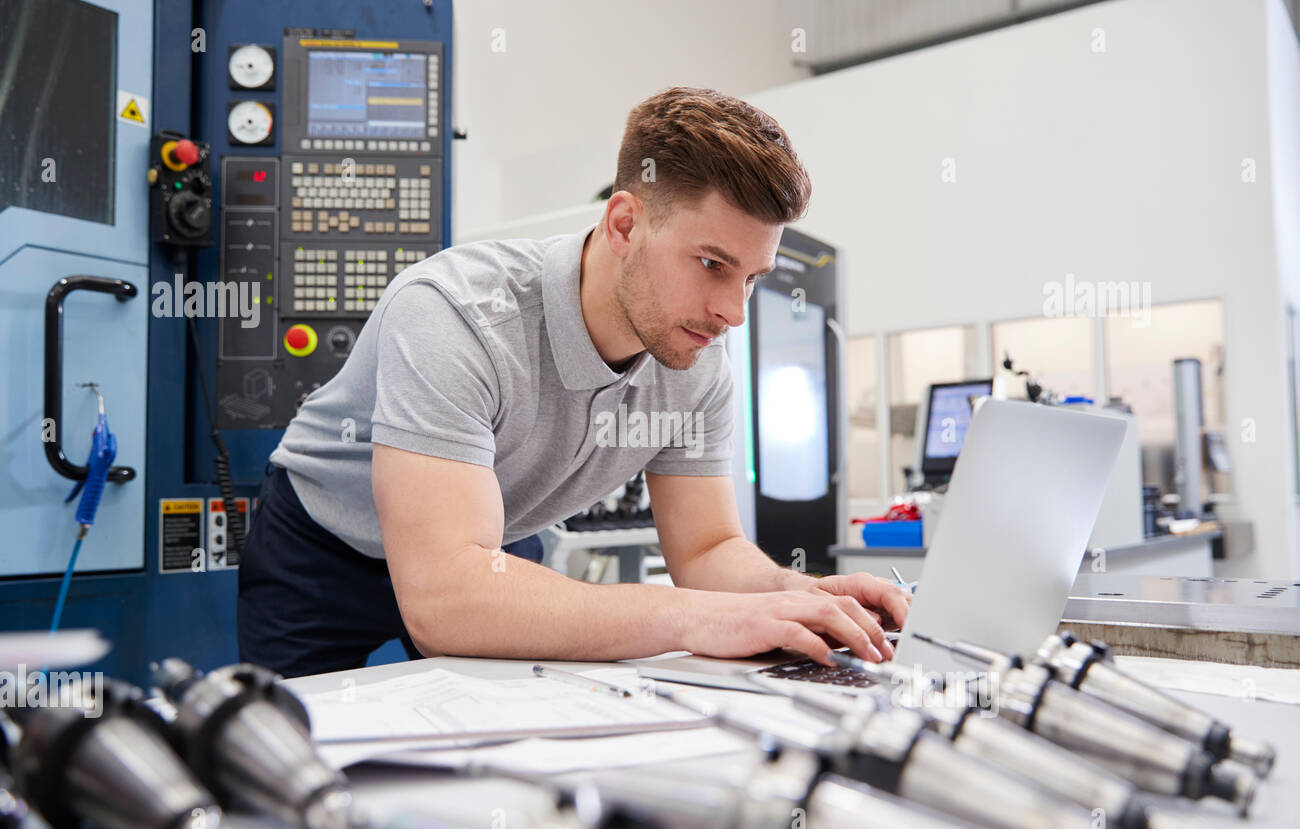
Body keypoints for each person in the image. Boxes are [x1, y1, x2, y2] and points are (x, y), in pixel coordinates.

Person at [237, 86, 910, 678]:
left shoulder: (699, 360)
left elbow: (707, 550)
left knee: (507, 745)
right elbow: (445, 596)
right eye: (711, 264)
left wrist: (800, 596)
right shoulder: (456, 313)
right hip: (323, 548)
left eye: (752, 280)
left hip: (489, 545)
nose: (733, 313)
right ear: (624, 224)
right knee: (284, 757)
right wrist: (690, 618)